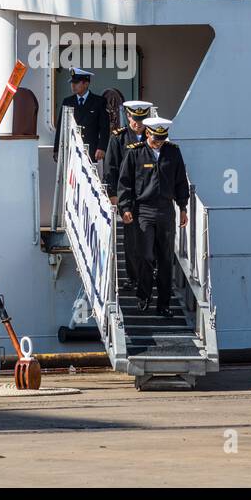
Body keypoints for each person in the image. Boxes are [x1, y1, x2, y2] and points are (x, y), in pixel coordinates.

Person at [117, 116, 189, 317]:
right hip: (144, 211)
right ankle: (144, 295)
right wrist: (125, 208)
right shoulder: (135, 153)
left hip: (166, 210)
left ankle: (164, 304)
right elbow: (125, 183)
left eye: (162, 138)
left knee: (165, 259)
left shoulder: (173, 153)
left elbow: (181, 182)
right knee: (145, 256)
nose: (159, 142)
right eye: (156, 138)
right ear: (147, 133)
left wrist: (183, 207)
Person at [104, 100, 155, 289]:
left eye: (142, 119)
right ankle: (134, 278)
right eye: (135, 119)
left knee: (150, 239)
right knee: (132, 241)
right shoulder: (119, 138)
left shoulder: (154, 138)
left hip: (150, 197)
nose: (138, 123)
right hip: (129, 197)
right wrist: (113, 195)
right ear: (128, 116)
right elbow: (111, 168)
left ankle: (149, 275)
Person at [52, 68, 107, 162]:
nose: (73, 85)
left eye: (76, 83)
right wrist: (57, 149)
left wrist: (102, 147)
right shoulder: (67, 101)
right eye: (72, 83)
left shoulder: (99, 102)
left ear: (86, 84)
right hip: (72, 149)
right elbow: (61, 126)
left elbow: (104, 127)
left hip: (91, 150)